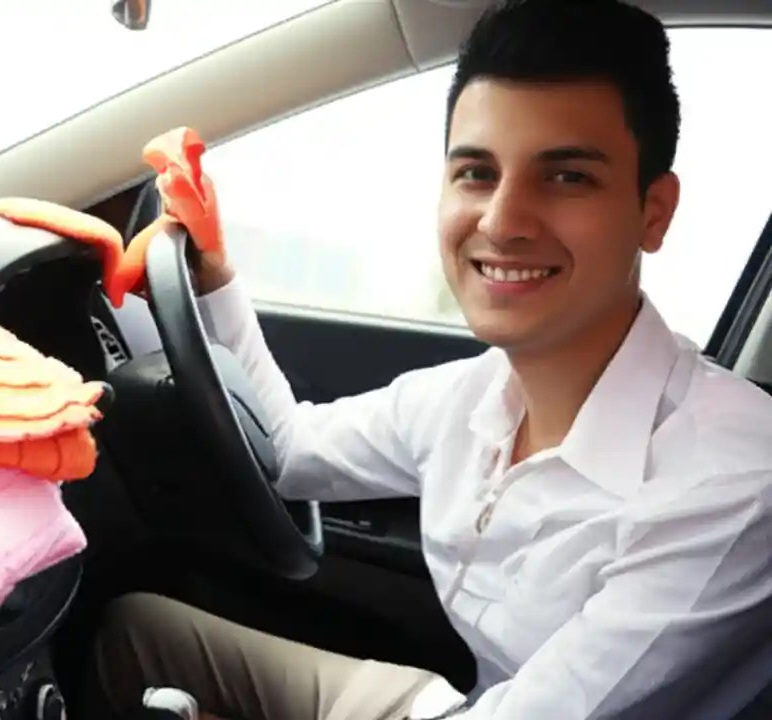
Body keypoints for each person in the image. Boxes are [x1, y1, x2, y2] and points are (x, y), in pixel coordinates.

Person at [93, 0, 772, 718]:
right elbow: (288, 451)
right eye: (477, 173)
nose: (503, 222)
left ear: (653, 213)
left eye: (567, 177)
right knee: (131, 633)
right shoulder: (473, 397)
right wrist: (212, 278)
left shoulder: (732, 482)